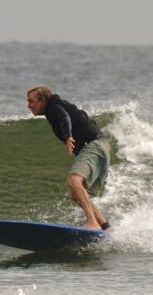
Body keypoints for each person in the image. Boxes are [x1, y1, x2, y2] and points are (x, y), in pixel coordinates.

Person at [26, 86, 111, 230]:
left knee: (73, 180)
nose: (28, 105)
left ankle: (92, 222)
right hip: (99, 146)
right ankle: (105, 226)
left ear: (43, 100)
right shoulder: (55, 108)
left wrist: (68, 136)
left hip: (93, 145)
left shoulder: (53, 105)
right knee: (77, 195)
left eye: (31, 101)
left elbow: (64, 117)